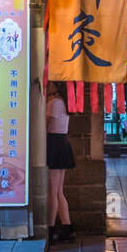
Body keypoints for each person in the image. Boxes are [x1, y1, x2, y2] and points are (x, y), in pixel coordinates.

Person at [45, 82, 76, 243]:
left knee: (53, 191)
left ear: (56, 86)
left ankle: (51, 230)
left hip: (54, 143)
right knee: (58, 191)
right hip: (60, 142)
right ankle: (67, 227)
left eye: (49, 83)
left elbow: (46, 125)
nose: (46, 85)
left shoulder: (54, 103)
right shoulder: (61, 102)